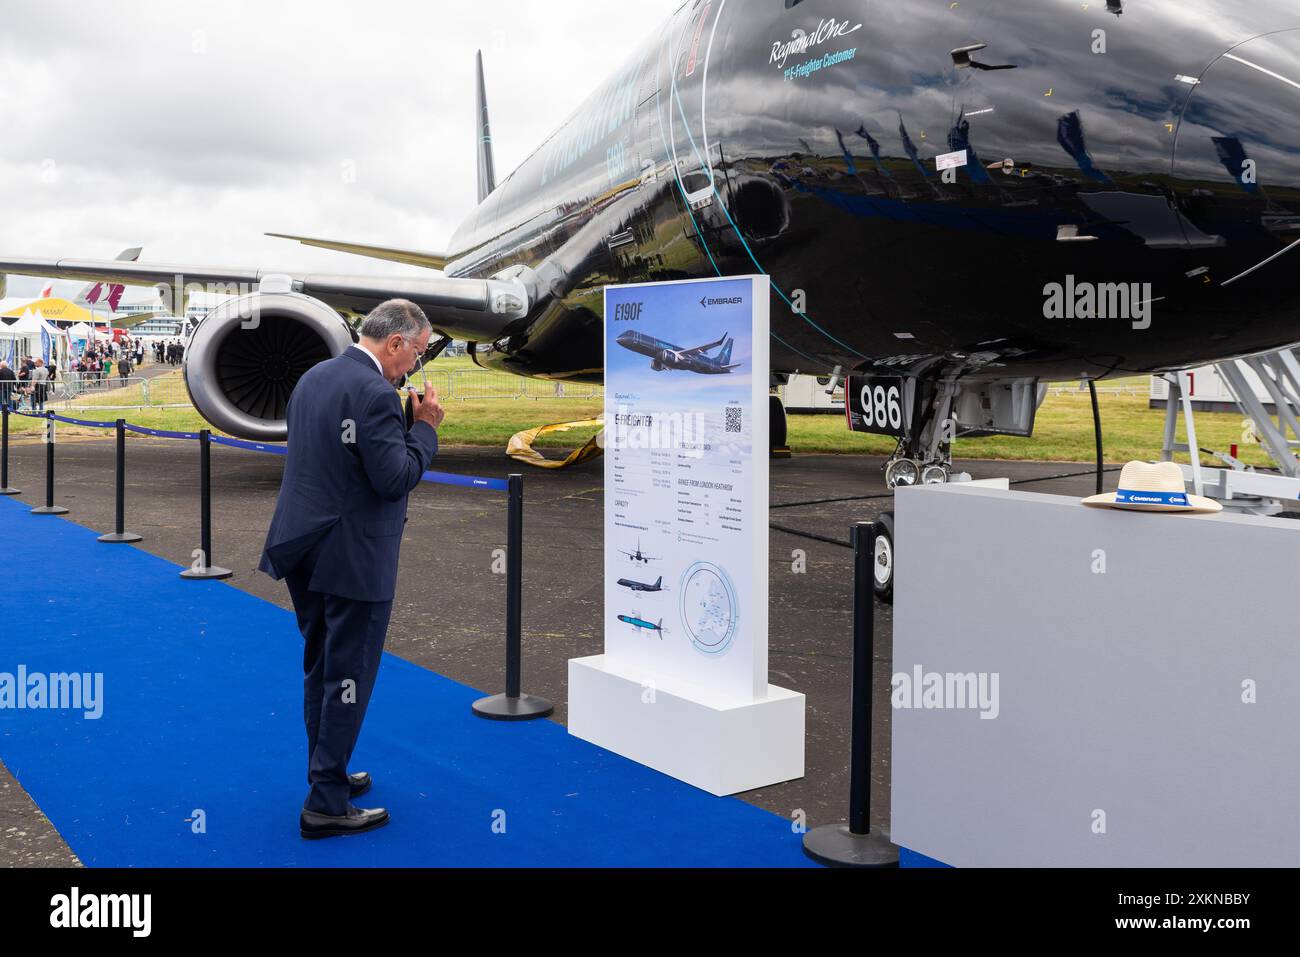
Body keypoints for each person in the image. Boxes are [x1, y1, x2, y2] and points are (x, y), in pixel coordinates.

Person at [258, 299, 443, 840]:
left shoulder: (316, 375)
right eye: (417, 352)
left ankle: (328, 773)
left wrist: (400, 425)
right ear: (395, 343)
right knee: (348, 675)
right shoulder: (374, 393)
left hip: (304, 546)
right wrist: (425, 427)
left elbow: (338, 459)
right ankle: (326, 804)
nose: (416, 365)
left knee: (321, 665)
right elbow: (394, 477)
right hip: (351, 555)